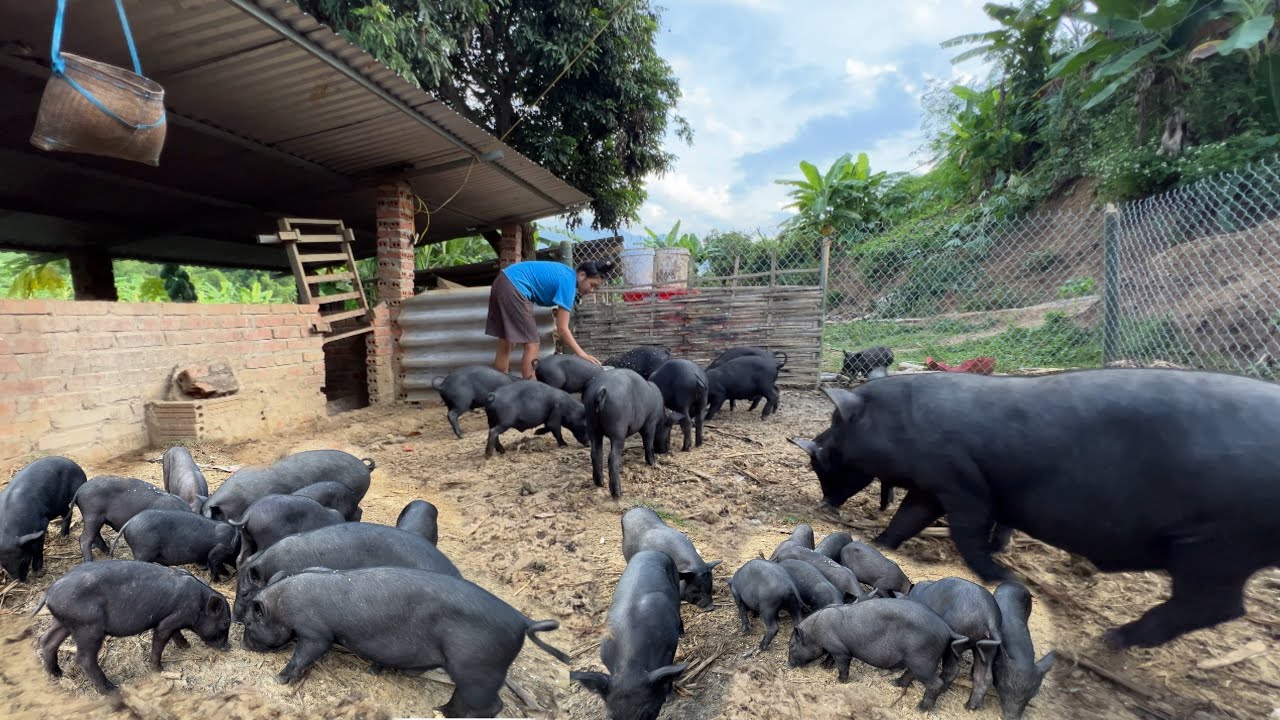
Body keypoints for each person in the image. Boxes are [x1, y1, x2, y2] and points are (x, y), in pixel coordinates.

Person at [485, 259, 613, 379]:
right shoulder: (568, 283)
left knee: (507, 339)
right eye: (592, 285)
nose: (591, 290)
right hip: (514, 286)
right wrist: (582, 354)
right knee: (532, 344)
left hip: (502, 280)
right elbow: (562, 329)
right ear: (582, 275)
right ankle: (531, 389)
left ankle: (498, 382)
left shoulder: (566, 274)